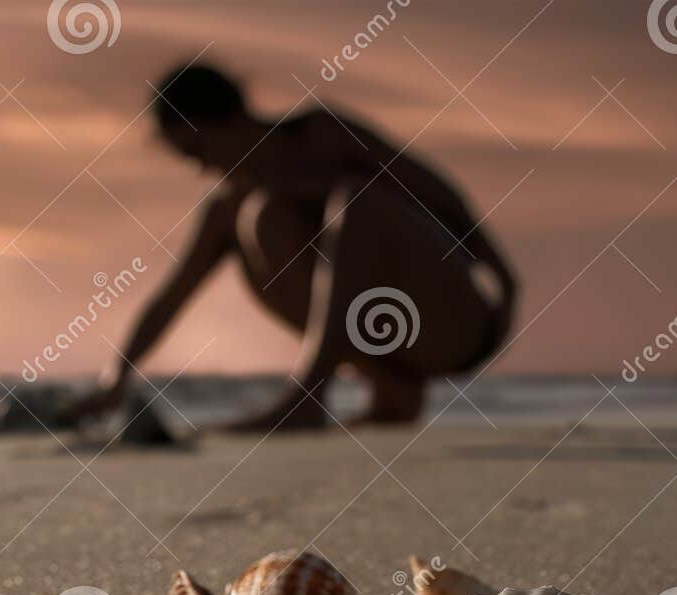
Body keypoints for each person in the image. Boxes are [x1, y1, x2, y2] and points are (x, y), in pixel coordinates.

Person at [61, 62, 518, 432]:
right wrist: (117, 379)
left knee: (358, 202)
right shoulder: (230, 205)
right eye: (188, 159)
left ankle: (308, 398)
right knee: (262, 217)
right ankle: (391, 391)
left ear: (230, 117)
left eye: (198, 148)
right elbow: (172, 295)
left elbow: (434, 191)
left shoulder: (321, 136)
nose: (202, 167)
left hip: (449, 322)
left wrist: (502, 275)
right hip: (389, 344)